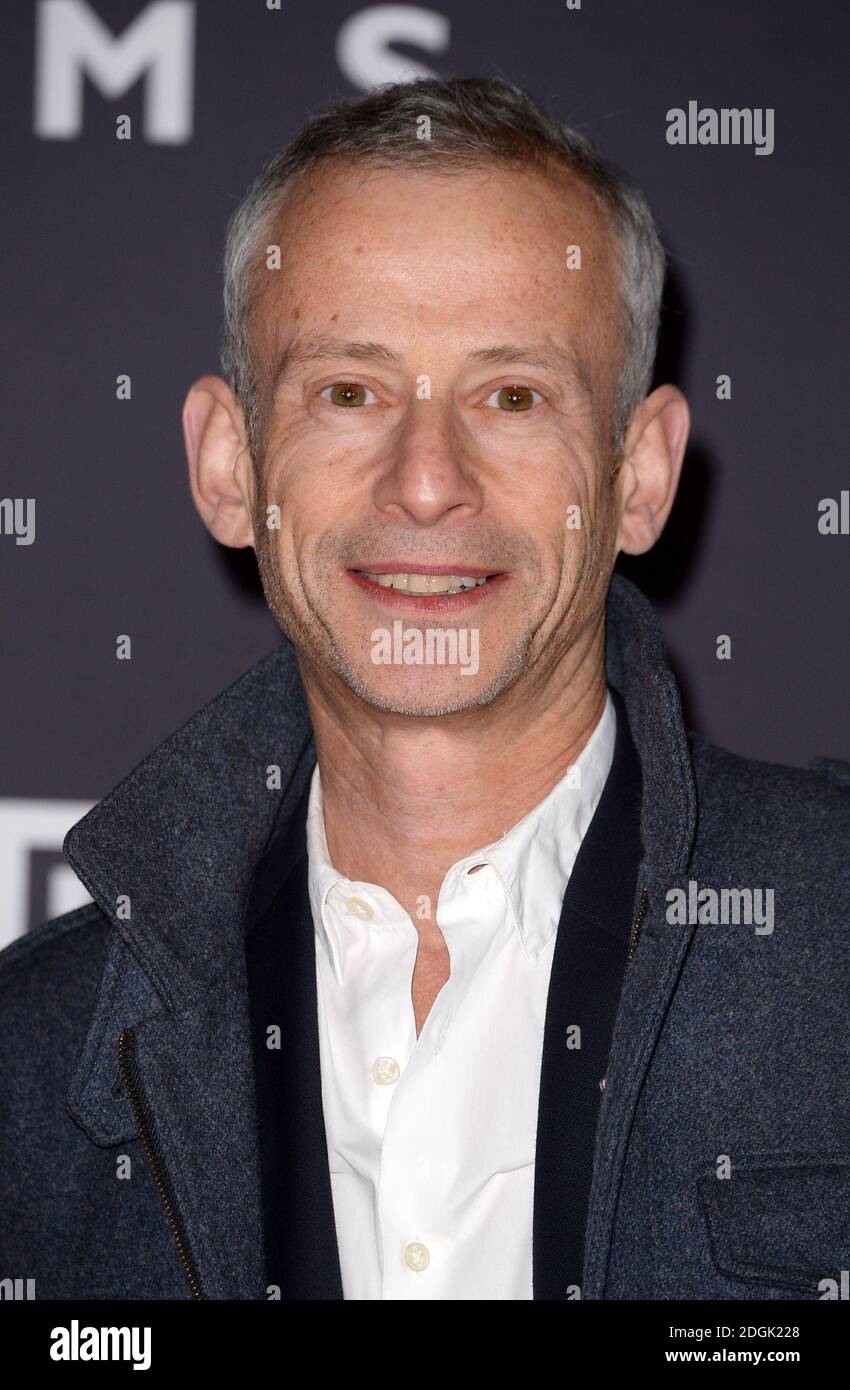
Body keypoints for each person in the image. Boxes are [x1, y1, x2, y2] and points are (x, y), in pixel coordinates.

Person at [1, 76, 847, 1302]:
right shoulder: (32, 1062)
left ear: (639, 475)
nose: (428, 481)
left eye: (512, 396)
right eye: (350, 391)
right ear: (229, 466)